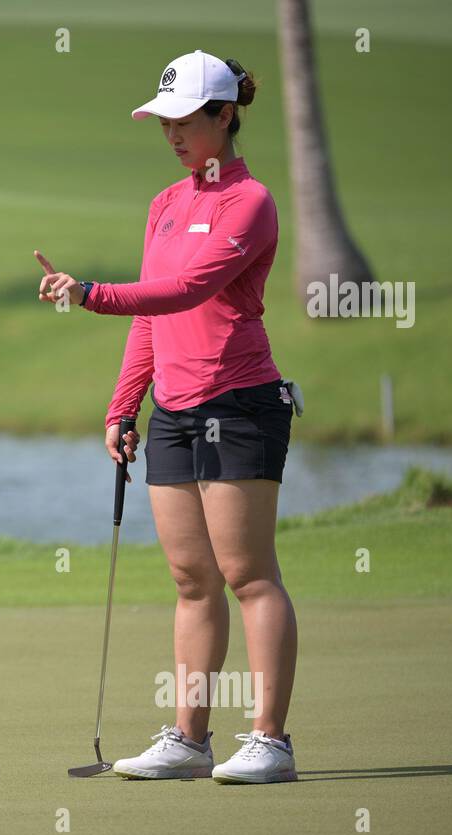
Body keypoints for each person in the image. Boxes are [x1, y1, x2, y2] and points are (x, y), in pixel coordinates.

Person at [35, 50, 302, 784]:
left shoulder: (249, 203)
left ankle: (270, 741)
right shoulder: (164, 203)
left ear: (225, 116)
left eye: (187, 121)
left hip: (240, 401)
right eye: (164, 123)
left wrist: (86, 292)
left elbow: (187, 289)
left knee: (248, 574)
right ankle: (189, 740)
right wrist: (124, 406)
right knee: (191, 578)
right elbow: (152, 319)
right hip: (175, 411)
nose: (174, 135)